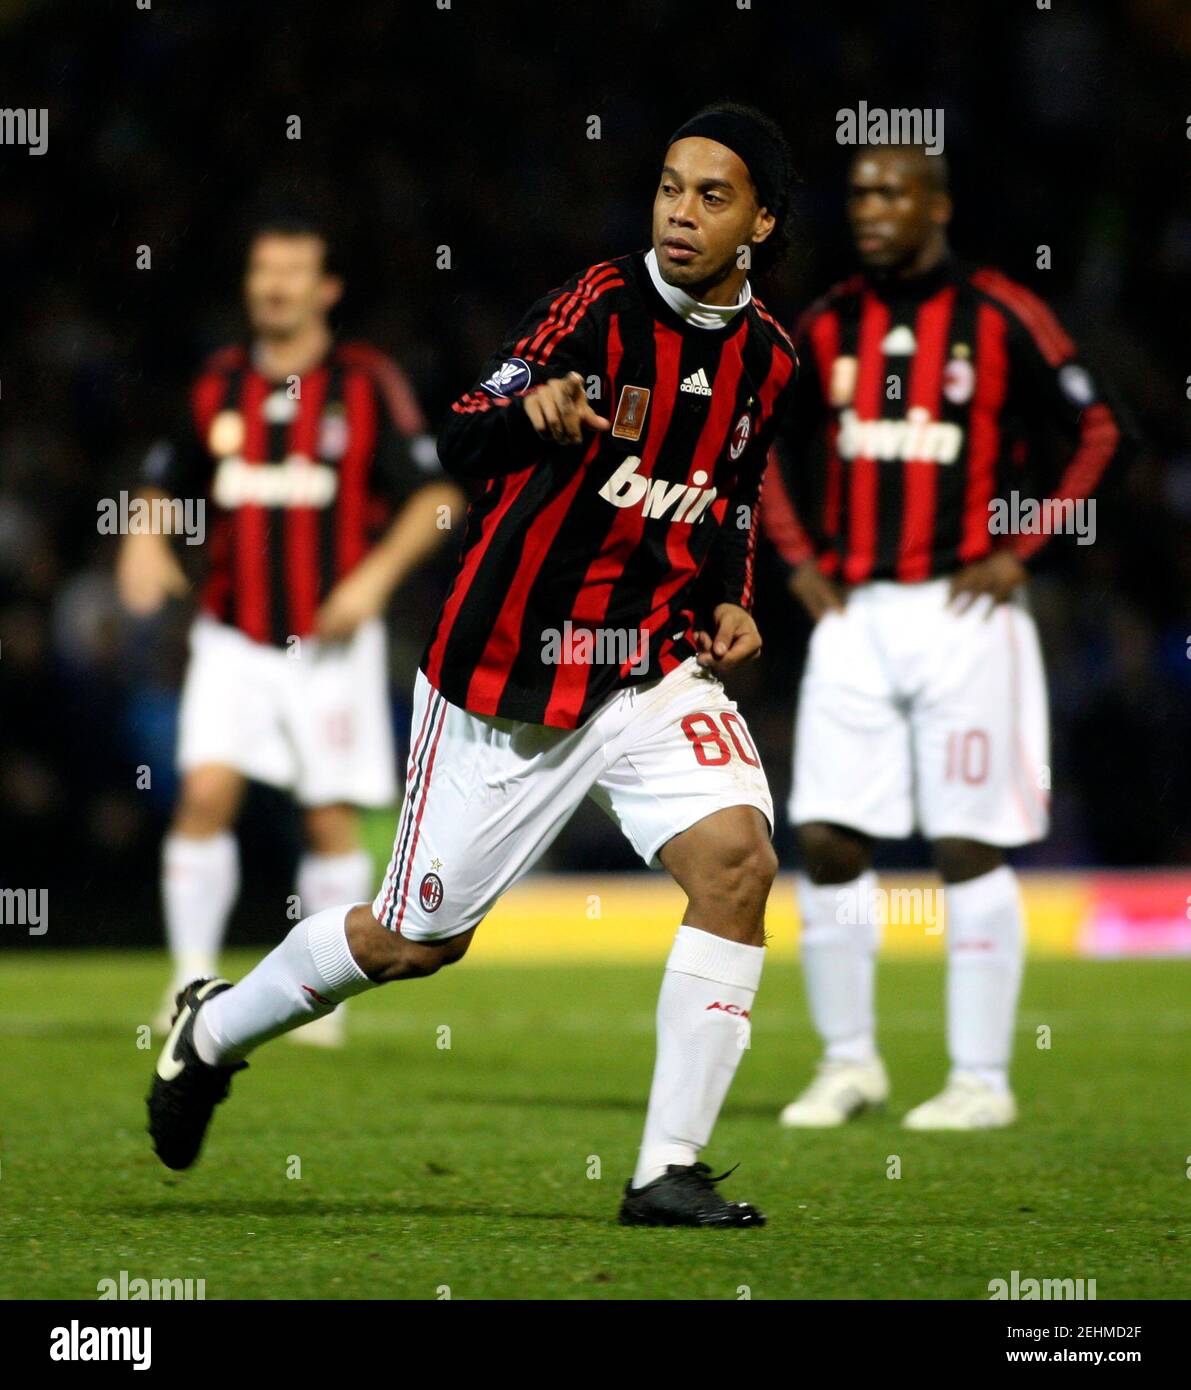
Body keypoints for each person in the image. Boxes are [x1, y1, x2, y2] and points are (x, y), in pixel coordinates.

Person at [147, 104, 798, 1228]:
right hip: (506, 675)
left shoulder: (772, 360)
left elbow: (729, 500)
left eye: (711, 196)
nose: (680, 213)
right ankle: (210, 1033)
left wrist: (734, 593)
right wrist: (528, 412)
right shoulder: (597, 307)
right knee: (412, 941)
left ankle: (665, 1170)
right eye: (668, 187)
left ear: (761, 222)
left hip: (649, 666)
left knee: (739, 865)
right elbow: (460, 432)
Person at [763, 145, 1127, 1129]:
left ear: (938, 205)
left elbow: (1100, 435)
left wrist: (1025, 550)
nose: (872, 209)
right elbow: (758, 445)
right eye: (861, 195)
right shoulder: (828, 322)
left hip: (968, 617)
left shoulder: (1002, 313)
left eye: (893, 193)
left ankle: (981, 1079)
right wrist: (796, 559)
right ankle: (850, 1064)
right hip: (856, 612)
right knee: (830, 834)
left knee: (967, 841)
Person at [118, 216, 461, 1046]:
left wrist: (372, 580)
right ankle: (191, 979)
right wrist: (141, 535)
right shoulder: (219, 382)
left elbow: (435, 498)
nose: (274, 284)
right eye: (262, 268)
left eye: (292, 270)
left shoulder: (366, 381)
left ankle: (318, 997)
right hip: (233, 635)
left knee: (327, 817)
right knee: (204, 796)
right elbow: (165, 478)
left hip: (330, 645)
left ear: (327, 288)